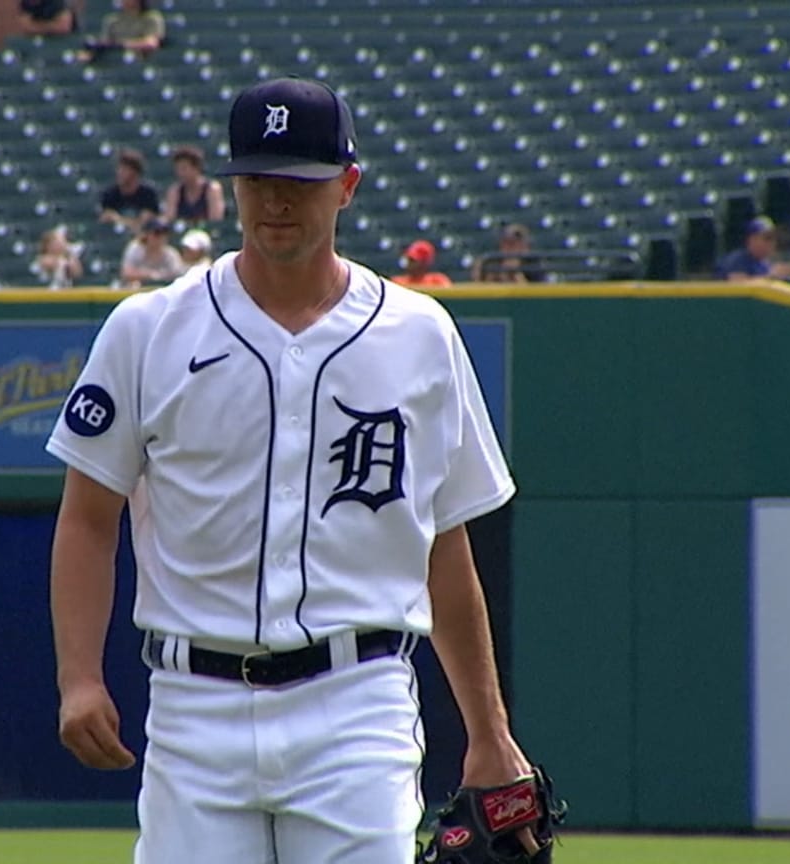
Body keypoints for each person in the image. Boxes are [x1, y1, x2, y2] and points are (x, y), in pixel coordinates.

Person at [46, 76, 540, 864]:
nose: (276, 201)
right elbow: (87, 516)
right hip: (192, 704)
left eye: (299, 182)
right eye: (258, 180)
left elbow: (444, 545)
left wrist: (490, 732)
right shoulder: (149, 328)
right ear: (229, 186)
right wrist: (79, 677)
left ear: (347, 186)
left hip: (356, 703)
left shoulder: (420, 335)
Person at [79, 0, 165, 62]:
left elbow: (151, 43)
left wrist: (123, 45)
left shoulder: (151, 17)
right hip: (114, 61)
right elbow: (105, 43)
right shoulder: (112, 20)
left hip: (141, 60)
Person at [161, 146, 227, 225]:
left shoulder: (212, 188)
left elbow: (216, 219)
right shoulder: (174, 191)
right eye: (177, 169)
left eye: (184, 168)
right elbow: (169, 220)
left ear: (196, 168)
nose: (180, 173)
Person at [714, 216, 790, 281]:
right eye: (767, 238)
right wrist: (771, 276)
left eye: (774, 239)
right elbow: (738, 286)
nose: (772, 243)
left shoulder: (764, 264)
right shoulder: (737, 260)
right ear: (752, 240)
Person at [99, 149, 160, 231]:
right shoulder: (110, 194)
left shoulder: (148, 193)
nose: (119, 173)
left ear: (135, 173)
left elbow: (144, 223)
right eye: (119, 169)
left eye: (124, 169)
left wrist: (118, 219)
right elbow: (106, 218)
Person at [118, 219, 184, 289]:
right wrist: (151, 275)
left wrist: (157, 276)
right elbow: (126, 273)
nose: (161, 237)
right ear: (146, 235)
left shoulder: (171, 254)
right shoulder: (136, 248)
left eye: (165, 233)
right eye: (157, 233)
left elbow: (178, 275)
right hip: (137, 291)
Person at [470, 223, 545, 283]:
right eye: (507, 243)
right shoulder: (490, 261)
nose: (510, 247)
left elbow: (538, 293)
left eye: (515, 243)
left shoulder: (533, 263)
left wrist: (515, 274)